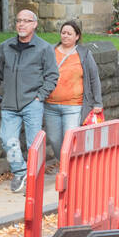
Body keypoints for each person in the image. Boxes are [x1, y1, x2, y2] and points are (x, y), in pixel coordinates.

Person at [0, 9, 58, 194]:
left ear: (35, 24)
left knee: (33, 144)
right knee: (7, 139)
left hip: (32, 103)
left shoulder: (44, 48)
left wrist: (40, 96)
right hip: (10, 104)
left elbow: (52, 76)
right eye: (19, 20)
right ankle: (19, 171)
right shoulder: (6, 47)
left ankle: (34, 179)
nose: (21, 24)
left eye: (26, 21)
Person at [42, 20, 101, 163]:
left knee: (70, 140)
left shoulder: (85, 54)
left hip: (74, 106)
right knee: (55, 140)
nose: (65, 36)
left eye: (69, 34)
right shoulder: (50, 51)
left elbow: (94, 78)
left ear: (77, 36)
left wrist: (98, 102)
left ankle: (68, 170)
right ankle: (64, 164)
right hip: (50, 105)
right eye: (63, 33)